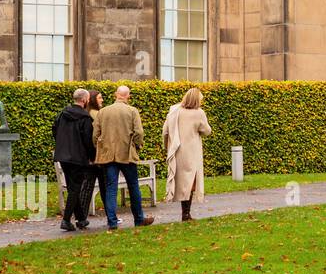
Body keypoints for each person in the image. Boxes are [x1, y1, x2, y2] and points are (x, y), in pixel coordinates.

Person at [93, 85, 155, 229]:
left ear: (116, 95)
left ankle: (112, 222)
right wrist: (137, 146)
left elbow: (95, 134)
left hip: (108, 155)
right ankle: (139, 219)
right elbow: (139, 133)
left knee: (110, 188)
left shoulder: (103, 112)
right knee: (133, 186)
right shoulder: (132, 111)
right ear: (128, 96)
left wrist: (100, 147)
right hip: (127, 154)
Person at [163, 87, 211, 221]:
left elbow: (165, 131)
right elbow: (207, 131)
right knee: (191, 182)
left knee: (182, 181)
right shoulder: (199, 113)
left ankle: (185, 212)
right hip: (192, 151)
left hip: (177, 150)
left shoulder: (174, 111)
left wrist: (167, 147)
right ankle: (186, 213)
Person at [52, 88, 96, 232]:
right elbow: (88, 141)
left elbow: (54, 130)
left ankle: (81, 219)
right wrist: (93, 157)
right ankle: (65, 220)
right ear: (84, 100)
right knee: (75, 187)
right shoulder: (85, 118)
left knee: (72, 187)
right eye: (88, 99)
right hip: (78, 157)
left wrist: (61, 144)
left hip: (63, 156)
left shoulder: (62, 114)